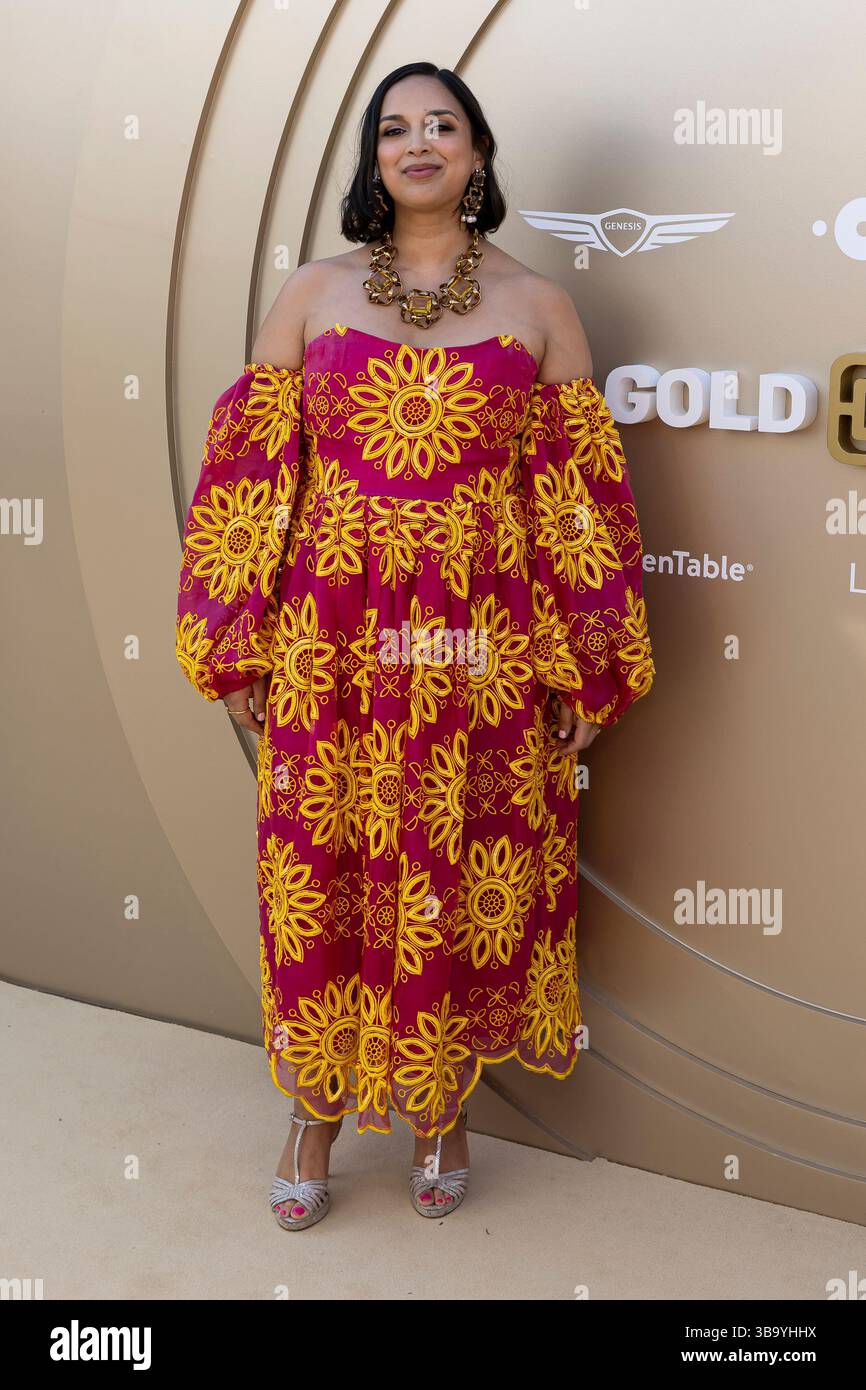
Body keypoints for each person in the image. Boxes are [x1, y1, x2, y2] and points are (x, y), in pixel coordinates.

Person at [174, 61, 655, 1229]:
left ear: (479, 154)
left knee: (455, 870)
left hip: (479, 650)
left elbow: (576, 503)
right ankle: (311, 1117)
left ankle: (440, 1108)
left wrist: (584, 657)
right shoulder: (312, 292)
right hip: (331, 644)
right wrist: (235, 641)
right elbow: (248, 480)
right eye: (395, 128)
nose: (418, 142)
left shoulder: (541, 306)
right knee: (323, 879)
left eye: (442, 124)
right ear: (373, 159)